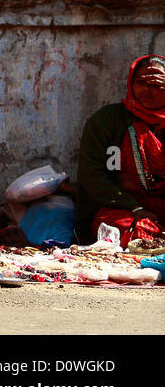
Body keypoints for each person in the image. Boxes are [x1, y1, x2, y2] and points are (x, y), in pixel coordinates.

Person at [75, 54, 165, 247]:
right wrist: (133, 206)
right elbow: (91, 174)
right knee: (127, 231)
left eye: (157, 85)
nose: (147, 90)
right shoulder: (107, 120)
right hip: (121, 208)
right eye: (140, 82)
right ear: (131, 84)